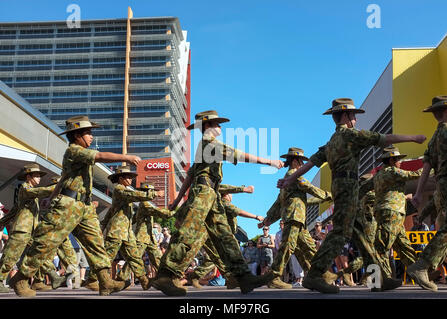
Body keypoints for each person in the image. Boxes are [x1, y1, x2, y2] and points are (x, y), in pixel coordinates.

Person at [278, 97, 426, 293]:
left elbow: (311, 163)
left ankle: (377, 280)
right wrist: (413, 138)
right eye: (353, 116)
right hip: (348, 186)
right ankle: (314, 275)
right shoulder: (351, 136)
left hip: (343, 185)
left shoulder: (331, 142)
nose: (355, 119)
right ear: (346, 116)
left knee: (362, 236)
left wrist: (290, 178)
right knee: (340, 232)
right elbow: (383, 139)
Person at [152, 110, 284, 296]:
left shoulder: (203, 146)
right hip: (204, 193)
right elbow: (235, 154)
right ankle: (164, 276)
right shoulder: (209, 144)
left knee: (225, 235)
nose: (220, 127)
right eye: (217, 124)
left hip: (211, 194)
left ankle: (243, 277)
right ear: (207, 125)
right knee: (189, 233)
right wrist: (268, 161)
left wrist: (177, 200)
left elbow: (190, 175)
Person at [10, 115, 141, 297]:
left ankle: (105, 281)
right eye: (87, 133)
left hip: (84, 207)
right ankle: (21, 279)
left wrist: (53, 197)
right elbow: (101, 156)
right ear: (76, 135)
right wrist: (126, 157)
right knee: (46, 243)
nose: (91, 136)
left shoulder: (80, 157)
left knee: (96, 244)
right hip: (68, 206)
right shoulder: (74, 151)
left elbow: (63, 178)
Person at [259, 147, 334, 289]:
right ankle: (273, 277)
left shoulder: (287, 179)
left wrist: (268, 219)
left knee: (307, 248)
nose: (302, 165)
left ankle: (316, 275)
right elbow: (310, 188)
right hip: (294, 217)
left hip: (298, 219)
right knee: (288, 246)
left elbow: (280, 203)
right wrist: (329, 195)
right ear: (294, 161)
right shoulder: (294, 175)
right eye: (300, 162)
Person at [85, 165, 164, 291]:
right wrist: (155, 193)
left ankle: (144, 280)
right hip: (116, 231)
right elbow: (137, 195)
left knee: (134, 257)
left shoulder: (123, 193)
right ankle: (92, 279)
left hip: (126, 232)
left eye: (131, 177)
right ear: (120, 178)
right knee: (107, 257)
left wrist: (103, 224)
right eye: (128, 177)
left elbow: (111, 211)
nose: (130, 179)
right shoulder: (120, 190)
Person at [0, 164, 67, 293]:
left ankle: (52, 276)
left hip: (31, 231)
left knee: (39, 253)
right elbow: (36, 192)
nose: (39, 178)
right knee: (10, 256)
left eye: (39, 176)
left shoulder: (31, 194)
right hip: (22, 229)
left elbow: (15, 209)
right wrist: (56, 188)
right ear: (28, 176)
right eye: (36, 175)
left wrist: (3, 221)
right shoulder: (25, 188)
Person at [408, 96, 447, 291]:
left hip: (441, 184)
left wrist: (417, 193)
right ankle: (423, 265)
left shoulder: (434, 138)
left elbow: (426, 167)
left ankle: (429, 267)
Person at [369, 146, 422, 290]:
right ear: (391, 160)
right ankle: (376, 283)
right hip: (392, 213)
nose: (400, 162)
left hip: (388, 213)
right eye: (398, 159)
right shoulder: (392, 171)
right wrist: (433, 166)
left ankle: (421, 274)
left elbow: (363, 188)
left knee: (404, 246)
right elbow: (415, 174)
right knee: (381, 247)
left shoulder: (378, 175)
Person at [117, 182, 175, 284]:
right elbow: (160, 213)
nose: (153, 194)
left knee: (157, 258)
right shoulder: (145, 204)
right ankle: (121, 277)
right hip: (142, 238)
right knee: (135, 259)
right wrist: (173, 212)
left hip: (149, 238)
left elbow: (134, 219)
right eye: (152, 192)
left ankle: (166, 279)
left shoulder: (143, 204)